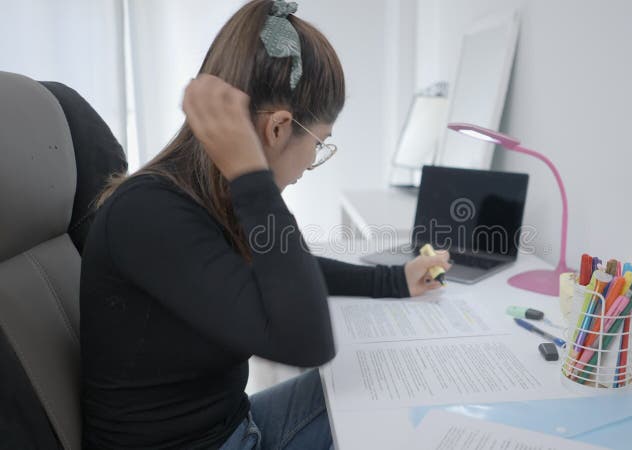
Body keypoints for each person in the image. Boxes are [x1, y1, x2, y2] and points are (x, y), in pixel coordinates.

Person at [79, 1, 451, 448]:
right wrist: (254, 179)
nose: (313, 162)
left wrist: (393, 281)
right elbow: (307, 340)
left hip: (233, 426)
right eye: (320, 143)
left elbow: (287, 271)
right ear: (277, 129)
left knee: (388, 383)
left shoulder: (202, 199)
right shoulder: (149, 216)